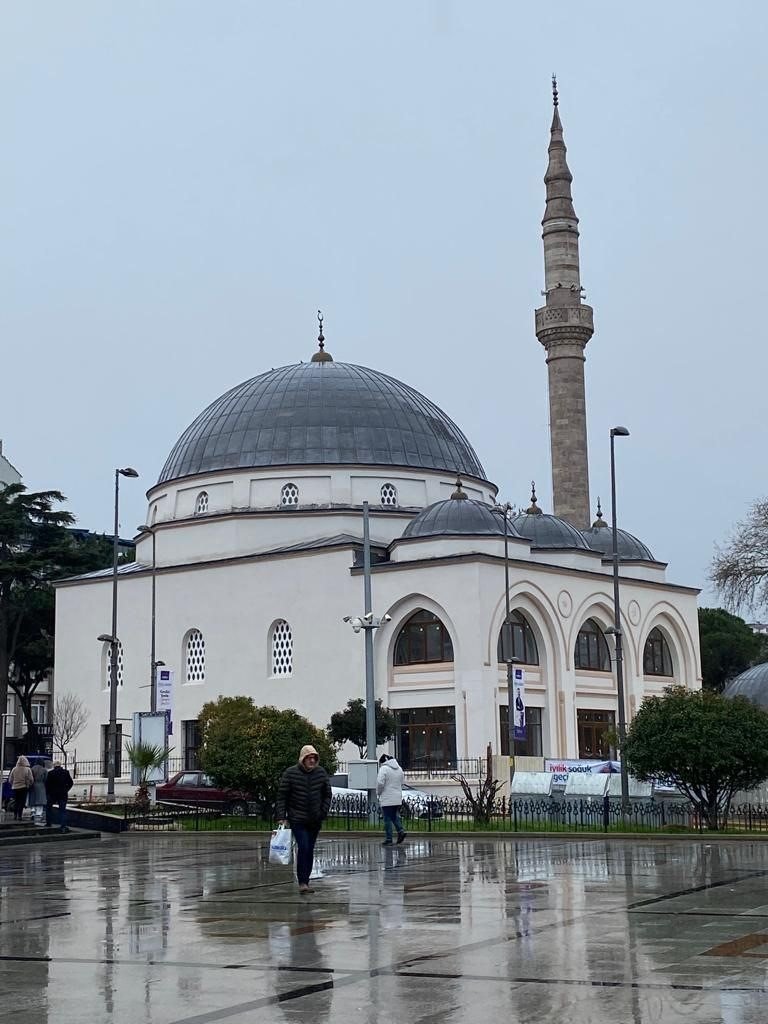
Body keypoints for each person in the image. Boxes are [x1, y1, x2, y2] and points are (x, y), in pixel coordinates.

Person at [275, 745, 332, 894]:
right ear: (303, 759)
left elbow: (327, 794)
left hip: (314, 819)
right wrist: (281, 816)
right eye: (309, 758)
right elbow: (282, 796)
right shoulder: (290, 773)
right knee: (304, 846)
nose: (312, 761)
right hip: (297, 818)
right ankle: (302, 882)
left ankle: (306, 880)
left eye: (314, 758)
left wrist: (323, 811)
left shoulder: (321, 773)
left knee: (309, 849)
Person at [377, 753, 406, 846]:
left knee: (387, 818)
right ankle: (401, 831)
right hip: (397, 797)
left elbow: (380, 783)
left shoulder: (384, 769)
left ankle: (389, 839)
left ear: (383, 762)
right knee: (394, 816)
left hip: (387, 798)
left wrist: (378, 792)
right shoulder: (399, 769)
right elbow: (402, 782)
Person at [45, 762, 74, 832]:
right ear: (60, 766)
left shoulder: (50, 773)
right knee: (62, 810)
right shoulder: (66, 772)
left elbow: (47, 784)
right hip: (63, 794)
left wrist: (48, 792)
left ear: (54, 766)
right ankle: (63, 825)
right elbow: (71, 783)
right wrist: (66, 789)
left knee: (48, 808)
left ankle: (49, 822)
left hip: (52, 794)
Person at [9, 755, 34, 821]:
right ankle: (19, 815)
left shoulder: (14, 769)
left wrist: (13, 784)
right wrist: (29, 785)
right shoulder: (27, 769)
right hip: (24, 787)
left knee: (16, 801)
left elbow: (10, 779)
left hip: (15, 787)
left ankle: (15, 815)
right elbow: (31, 779)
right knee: (22, 802)